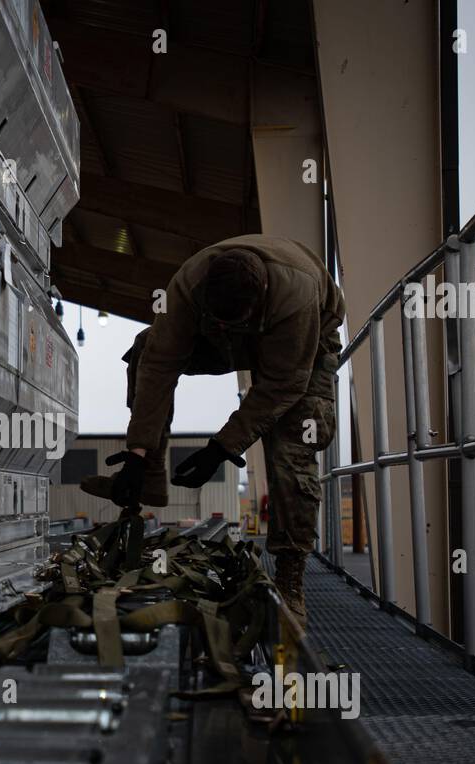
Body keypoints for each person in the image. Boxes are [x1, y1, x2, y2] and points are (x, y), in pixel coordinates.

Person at [81, 235, 345, 626]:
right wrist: (138, 452)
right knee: (145, 348)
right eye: (217, 320)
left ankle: (290, 576)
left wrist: (222, 447)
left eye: (231, 322)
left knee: (293, 445)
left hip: (307, 341)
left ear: (261, 299)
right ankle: (150, 478)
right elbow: (159, 365)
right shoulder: (187, 288)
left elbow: (282, 385)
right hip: (227, 327)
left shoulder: (296, 295)